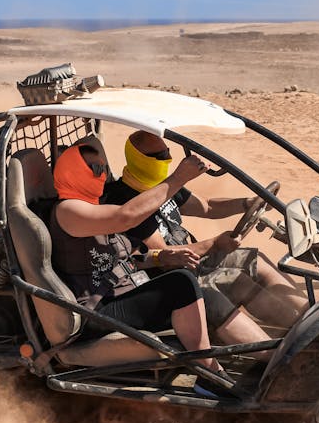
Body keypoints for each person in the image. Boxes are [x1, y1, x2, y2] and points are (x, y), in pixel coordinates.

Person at [104, 131, 307, 341]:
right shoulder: (125, 199)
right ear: (138, 158)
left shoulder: (163, 185)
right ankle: (284, 346)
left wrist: (247, 202)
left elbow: (207, 207)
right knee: (240, 283)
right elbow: (165, 257)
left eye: (167, 153)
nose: (167, 159)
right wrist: (214, 244)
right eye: (159, 156)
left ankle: (310, 315)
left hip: (197, 260)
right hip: (174, 275)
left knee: (254, 259)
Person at [49, 139, 228, 372]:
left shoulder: (94, 204)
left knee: (201, 290)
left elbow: (123, 256)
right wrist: (178, 178)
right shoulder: (68, 210)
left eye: (103, 167)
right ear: (73, 173)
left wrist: (160, 258)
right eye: (95, 169)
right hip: (96, 310)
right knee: (181, 283)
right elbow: (127, 216)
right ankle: (210, 375)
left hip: (123, 290)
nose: (102, 174)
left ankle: (270, 358)